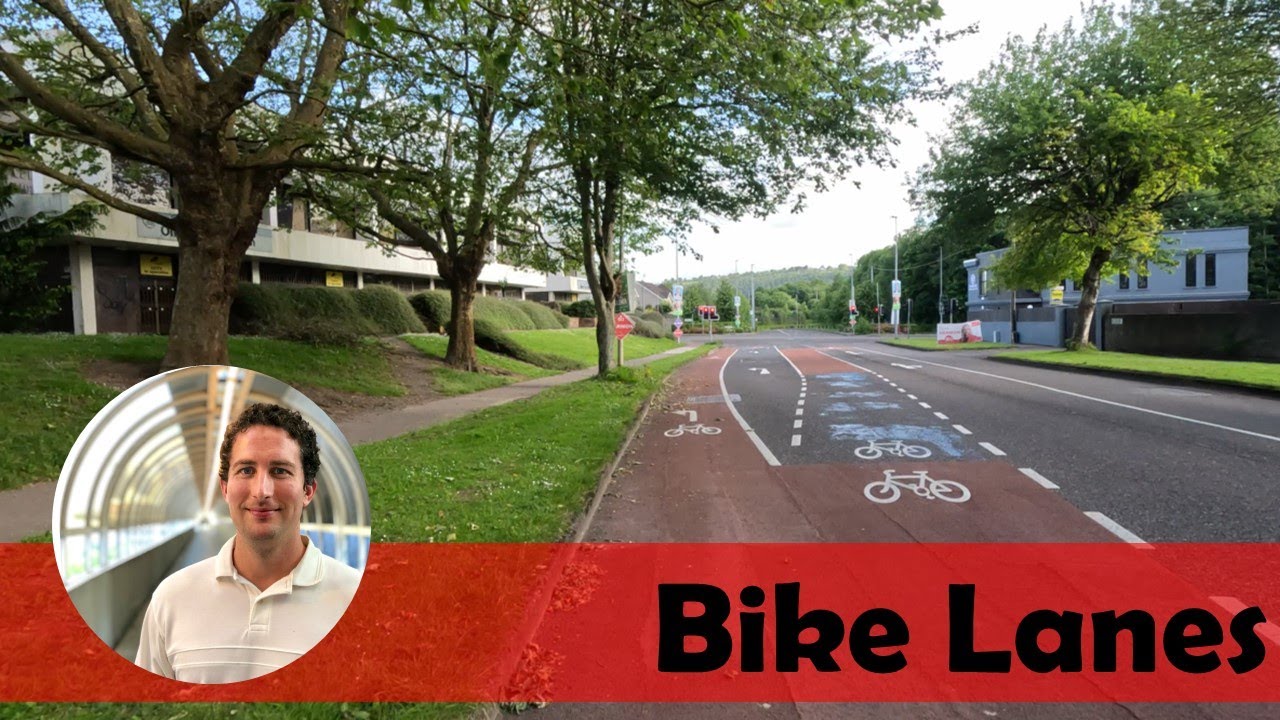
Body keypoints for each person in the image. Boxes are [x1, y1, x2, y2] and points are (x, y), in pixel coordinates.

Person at [135, 403, 361, 683]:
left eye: (280, 471)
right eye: (246, 470)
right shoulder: (171, 599)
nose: (261, 491)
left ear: (308, 491)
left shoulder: (356, 600)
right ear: (225, 488)